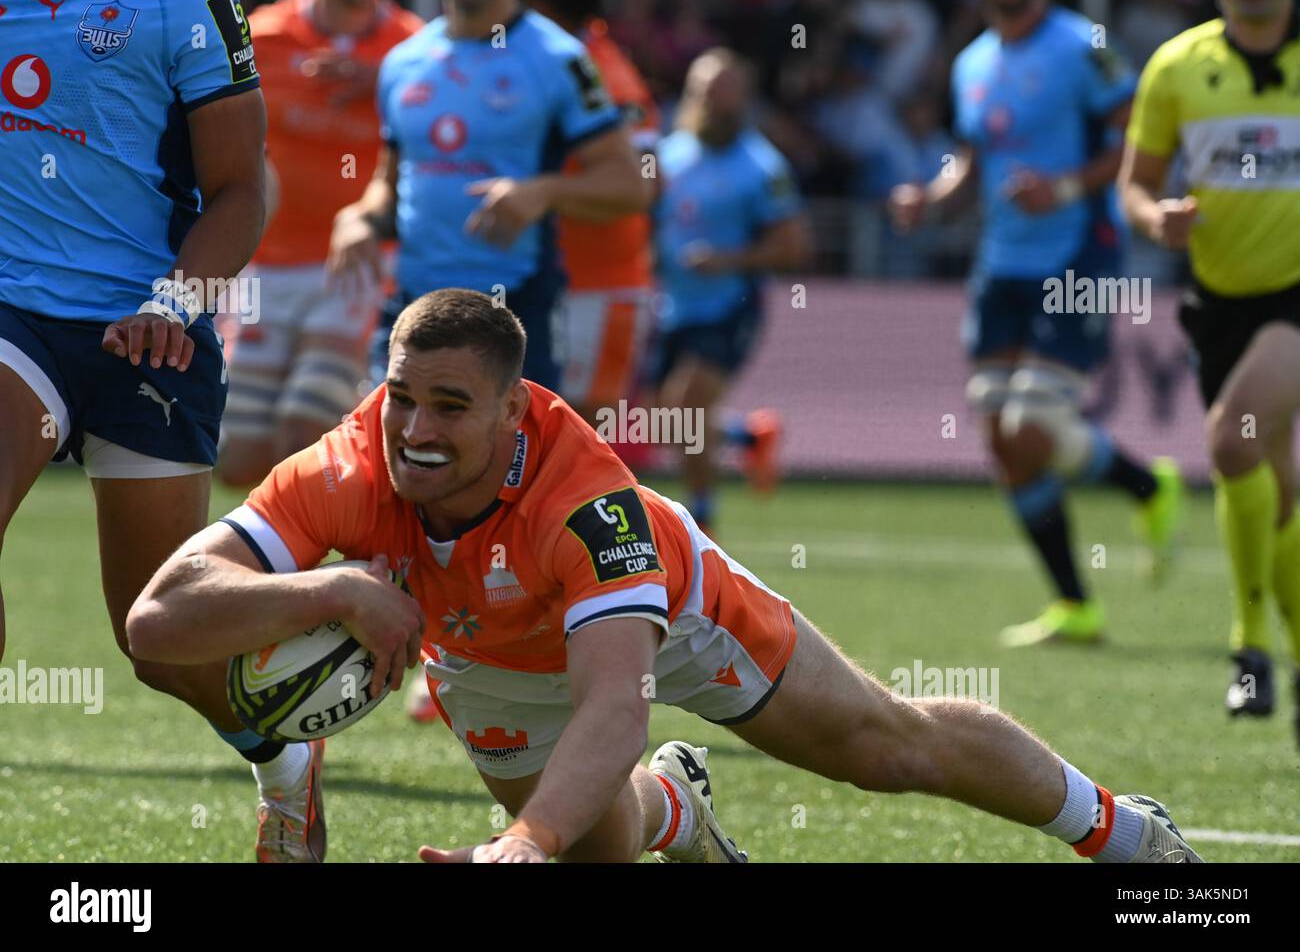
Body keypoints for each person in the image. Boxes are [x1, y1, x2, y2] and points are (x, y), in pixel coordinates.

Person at [127, 288, 1201, 864]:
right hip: (486, 655)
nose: (414, 429)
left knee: (885, 745)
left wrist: (520, 840)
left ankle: (1118, 830)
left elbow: (615, 699)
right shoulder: (353, 459)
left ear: (514, 409)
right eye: (403, 396)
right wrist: (329, 590)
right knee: (594, 851)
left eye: (449, 407)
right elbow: (159, 620)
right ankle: (673, 812)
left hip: (668, 616)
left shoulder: (586, 501)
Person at [0, 0, 313, 863]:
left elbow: (243, 189)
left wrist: (173, 302)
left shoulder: (190, 5)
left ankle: (285, 760)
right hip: (11, 318)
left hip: (151, 330)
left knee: (157, 642)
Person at [889, 0, 1183, 647]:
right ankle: (1077, 605)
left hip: (1077, 251)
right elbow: (970, 165)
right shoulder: (972, 62)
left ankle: (1146, 486)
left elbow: (1139, 139)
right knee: (1002, 439)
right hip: (1001, 265)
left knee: (1035, 424)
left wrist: (1068, 189)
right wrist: (930, 201)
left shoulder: (1082, 46)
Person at [1119, 0, 1300, 735]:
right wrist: (1154, 217)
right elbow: (1134, 182)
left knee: (1230, 443)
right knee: (1279, 489)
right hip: (1219, 302)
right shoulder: (1177, 65)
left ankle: (1250, 648)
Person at [327, 0, 650, 394]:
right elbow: (388, 184)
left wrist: (543, 191)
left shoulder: (560, 58)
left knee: (509, 453)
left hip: (513, 305)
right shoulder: (403, 60)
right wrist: (358, 218)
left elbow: (630, 185)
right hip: (412, 303)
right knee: (395, 448)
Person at [218, 0, 423, 487]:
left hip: (353, 267)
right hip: (264, 268)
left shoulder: (412, 47)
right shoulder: (262, 35)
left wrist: (383, 80)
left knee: (304, 426)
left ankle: (317, 546)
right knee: (237, 459)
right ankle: (283, 538)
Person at [652, 49, 812, 534]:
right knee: (667, 419)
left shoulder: (762, 166)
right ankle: (748, 437)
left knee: (686, 404)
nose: (713, 104)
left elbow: (793, 247)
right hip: (673, 305)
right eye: (705, 93)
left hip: (730, 304)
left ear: (742, 100)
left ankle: (701, 521)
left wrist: (725, 261)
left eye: (725, 95)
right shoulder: (668, 155)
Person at [527, 0, 660, 430]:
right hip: (541, 275)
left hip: (600, 285)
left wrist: (541, 194)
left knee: (582, 437)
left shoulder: (605, 72)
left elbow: (647, 182)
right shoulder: (539, 58)